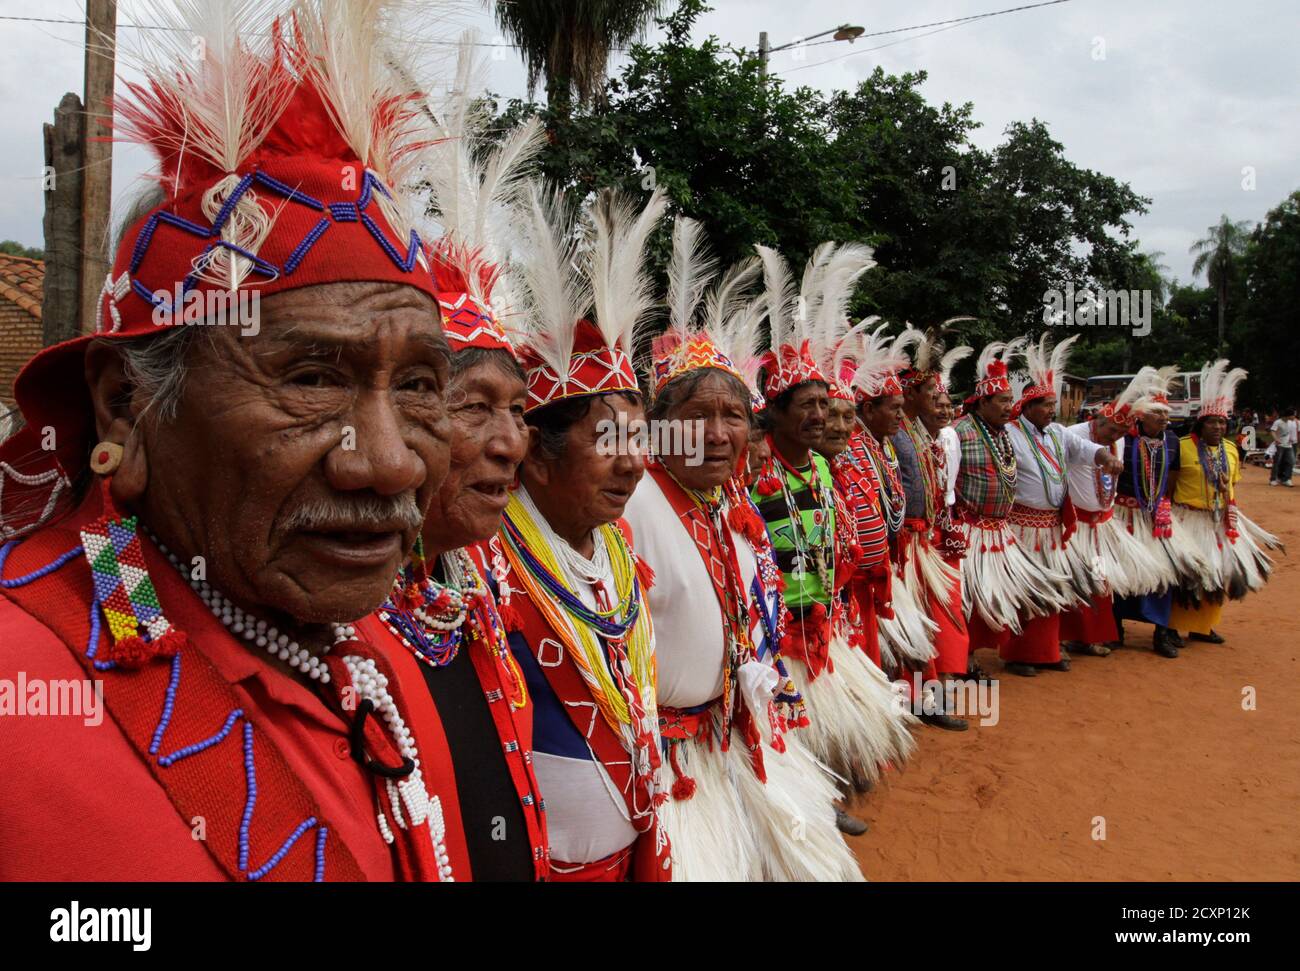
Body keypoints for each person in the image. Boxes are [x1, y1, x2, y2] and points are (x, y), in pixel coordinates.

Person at [0, 2, 492, 881]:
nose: (389, 461)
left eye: (421, 386)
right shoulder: (28, 689)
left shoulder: (371, 653)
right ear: (124, 407)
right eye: (309, 379)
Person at [621, 218, 860, 881]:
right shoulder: (628, 506)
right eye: (702, 414)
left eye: (735, 415)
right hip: (670, 764)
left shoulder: (732, 503)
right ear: (661, 426)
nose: (722, 432)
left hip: (736, 735)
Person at [475, 186, 671, 881]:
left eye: (640, 440)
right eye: (609, 440)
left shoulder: (616, 548)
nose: (633, 462)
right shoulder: (486, 567)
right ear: (536, 448)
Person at [749, 244, 915, 837]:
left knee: (824, 717)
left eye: (826, 403)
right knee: (790, 730)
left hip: (823, 618)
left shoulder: (819, 468)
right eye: (809, 405)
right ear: (775, 413)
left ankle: (833, 789)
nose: (821, 415)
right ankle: (815, 807)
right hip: (774, 629)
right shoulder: (751, 470)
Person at [1000, 335, 1122, 677]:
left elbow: (1083, 449)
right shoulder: (1009, 433)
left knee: (1055, 588)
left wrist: (1104, 457)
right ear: (1026, 407)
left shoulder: (1056, 431)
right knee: (1027, 590)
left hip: (1052, 525)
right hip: (1022, 526)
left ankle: (1048, 651)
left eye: (1053, 404)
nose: (1052, 410)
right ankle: (1019, 655)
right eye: (1045, 405)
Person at [953, 341, 1076, 658]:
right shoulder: (961, 432)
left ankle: (976, 658)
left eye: (1011, 400)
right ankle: (964, 661)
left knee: (995, 601)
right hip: (971, 531)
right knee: (969, 599)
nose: (1010, 407)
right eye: (1003, 401)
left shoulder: (1004, 432)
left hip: (999, 532)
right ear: (983, 401)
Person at [1168, 361, 1282, 643]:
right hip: (1186, 518)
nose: (1218, 426)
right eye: (1211, 421)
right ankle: (1169, 628)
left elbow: (1232, 486)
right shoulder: (1181, 447)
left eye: (1222, 421)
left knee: (1216, 574)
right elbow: (1169, 488)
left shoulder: (1231, 450)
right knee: (1183, 575)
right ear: (1200, 423)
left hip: (1218, 520)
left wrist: (1228, 506)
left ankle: (1202, 627)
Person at [893, 328, 978, 710]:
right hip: (905, 545)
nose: (942, 407)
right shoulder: (895, 431)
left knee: (934, 614)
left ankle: (932, 688)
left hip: (924, 540)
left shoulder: (924, 434)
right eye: (933, 398)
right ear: (911, 395)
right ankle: (919, 696)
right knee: (912, 621)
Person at [1060, 369, 1167, 658]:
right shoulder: (1072, 435)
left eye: (1121, 433)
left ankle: (1089, 638)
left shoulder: (1118, 441)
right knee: (1069, 580)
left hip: (1102, 527)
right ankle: (1062, 640)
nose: (1116, 436)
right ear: (1098, 420)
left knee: (1098, 582)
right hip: (1075, 526)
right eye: (1111, 430)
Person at [1111, 370, 1207, 658]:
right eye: (1157, 413)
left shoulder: (1173, 442)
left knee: (1165, 572)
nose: (1165, 418)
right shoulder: (1123, 441)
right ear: (1141, 416)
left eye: (1167, 414)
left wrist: (1165, 508)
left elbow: (1172, 480)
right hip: (1123, 514)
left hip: (1158, 517)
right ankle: (1116, 629)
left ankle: (1161, 633)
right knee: (1120, 573)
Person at [1269, 407, 1297, 486]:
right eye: (1293, 415)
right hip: (1280, 445)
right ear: (1288, 415)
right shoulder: (1278, 422)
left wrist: (1291, 438)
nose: (1294, 417)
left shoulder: (1291, 422)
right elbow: (1272, 431)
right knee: (1277, 462)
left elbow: (1290, 432)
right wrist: (1276, 439)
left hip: (1288, 446)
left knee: (1291, 462)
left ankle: (1286, 479)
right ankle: (1273, 479)